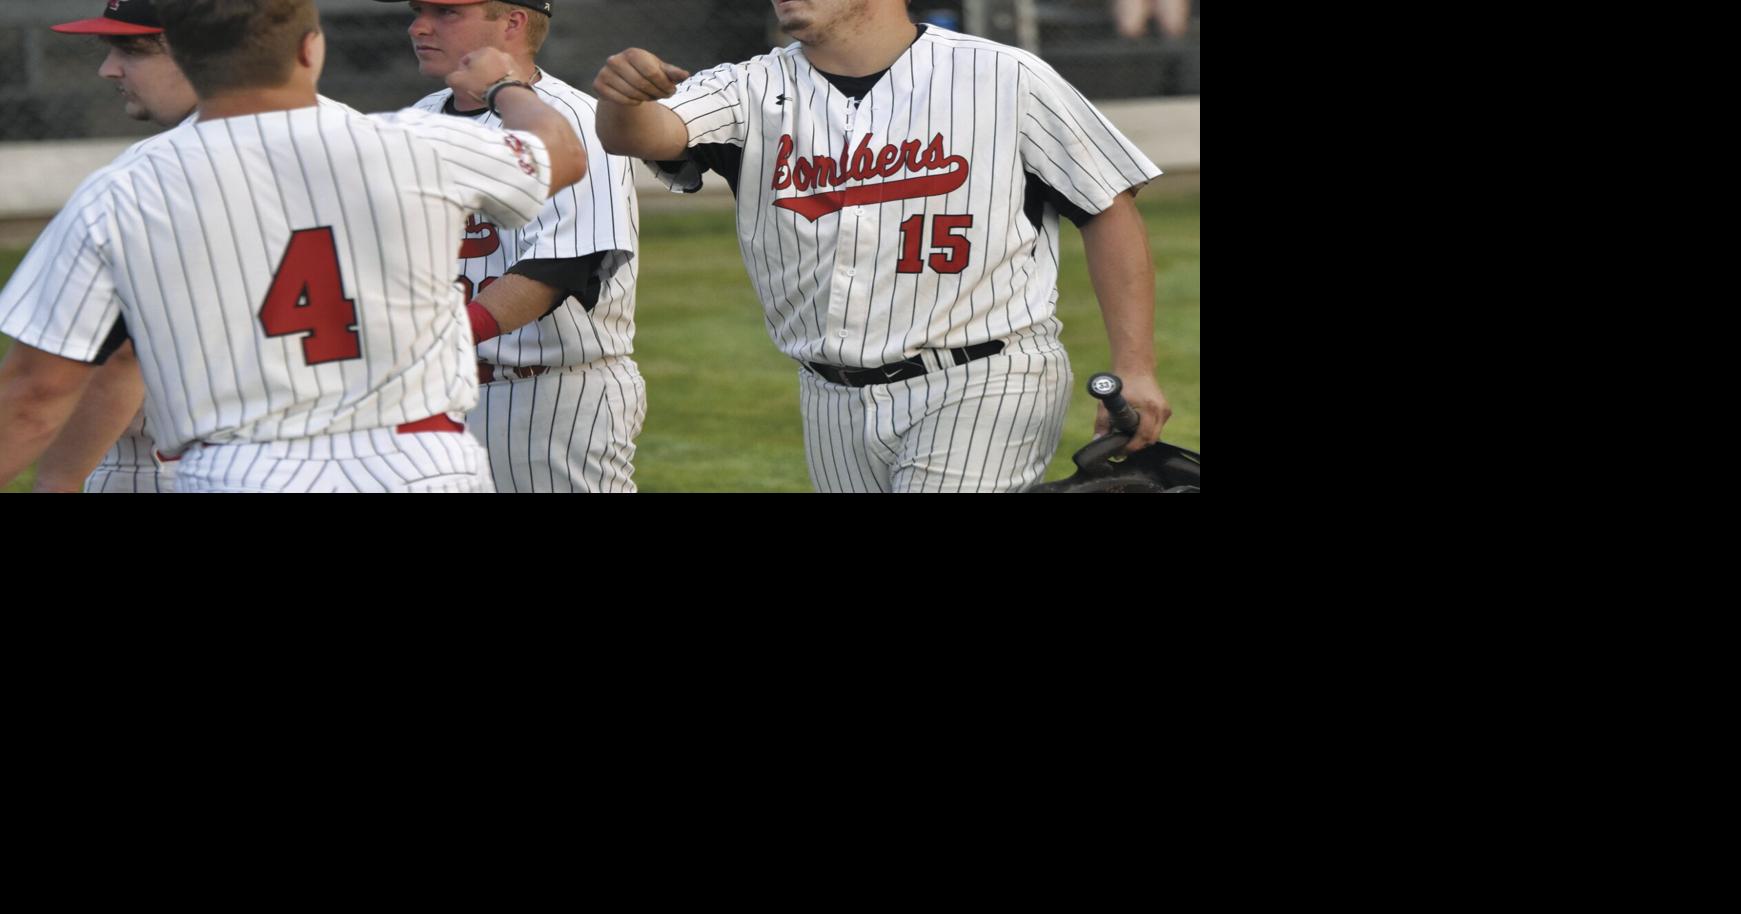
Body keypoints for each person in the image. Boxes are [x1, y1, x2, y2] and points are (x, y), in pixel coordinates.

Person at [0, 0, 586, 492]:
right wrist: (507, 86)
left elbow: (35, 392)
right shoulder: (414, 142)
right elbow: (562, 153)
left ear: (190, 58)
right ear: (312, 50)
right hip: (421, 463)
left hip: (243, 468)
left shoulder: (129, 185)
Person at [594, 0, 1170, 492]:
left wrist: (1135, 368)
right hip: (828, 394)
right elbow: (640, 133)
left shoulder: (1005, 75)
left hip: (986, 377)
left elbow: (1106, 209)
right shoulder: (746, 88)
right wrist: (622, 99)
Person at [34, 0, 356, 493]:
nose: (108, 69)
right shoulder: (365, 138)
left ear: (200, 48)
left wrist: (59, 477)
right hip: (348, 456)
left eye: (131, 49)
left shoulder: (155, 171)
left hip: (175, 466)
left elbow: (123, 357)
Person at [373, 0, 645, 493]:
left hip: (545, 395)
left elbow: (558, 269)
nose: (419, 26)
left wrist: (440, 341)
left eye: (446, 12)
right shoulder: (420, 118)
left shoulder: (574, 120)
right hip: (434, 392)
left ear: (513, 22)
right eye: (418, 11)